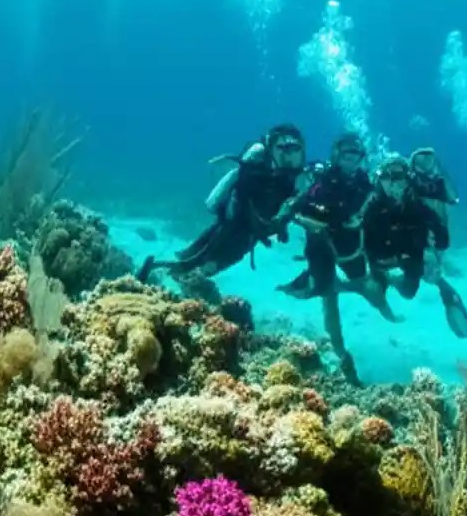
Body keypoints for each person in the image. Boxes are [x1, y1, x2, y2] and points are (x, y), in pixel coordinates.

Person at [277, 133, 386, 384]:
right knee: (328, 298)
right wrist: (320, 223)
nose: (351, 160)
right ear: (336, 155)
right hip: (323, 248)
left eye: (355, 155)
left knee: (367, 285)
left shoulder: (366, 184)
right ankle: (343, 357)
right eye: (346, 154)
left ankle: (384, 309)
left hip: (351, 248)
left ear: (362, 158)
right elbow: (297, 210)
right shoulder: (321, 180)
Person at [137, 123, 307, 283]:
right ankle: (155, 273)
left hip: (238, 230)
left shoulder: (284, 177)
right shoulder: (257, 174)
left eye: (295, 152)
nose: (289, 159)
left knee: (196, 260)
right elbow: (249, 209)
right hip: (234, 229)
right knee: (201, 263)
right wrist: (273, 225)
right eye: (284, 151)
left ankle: (160, 273)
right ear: (271, 149)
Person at [362, 156, 467, 338]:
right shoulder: (372, 206)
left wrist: (437, 237)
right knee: (377, 291)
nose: (394, 183)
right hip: (382, 258)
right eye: (387, 177)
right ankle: (386, 283)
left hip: (410, 255)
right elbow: (364, 243)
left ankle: (444, 290)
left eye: (399, 176)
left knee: (409, 291)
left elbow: (438, 231)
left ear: (408, 179)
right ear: (379, 180)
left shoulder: (414, 203)